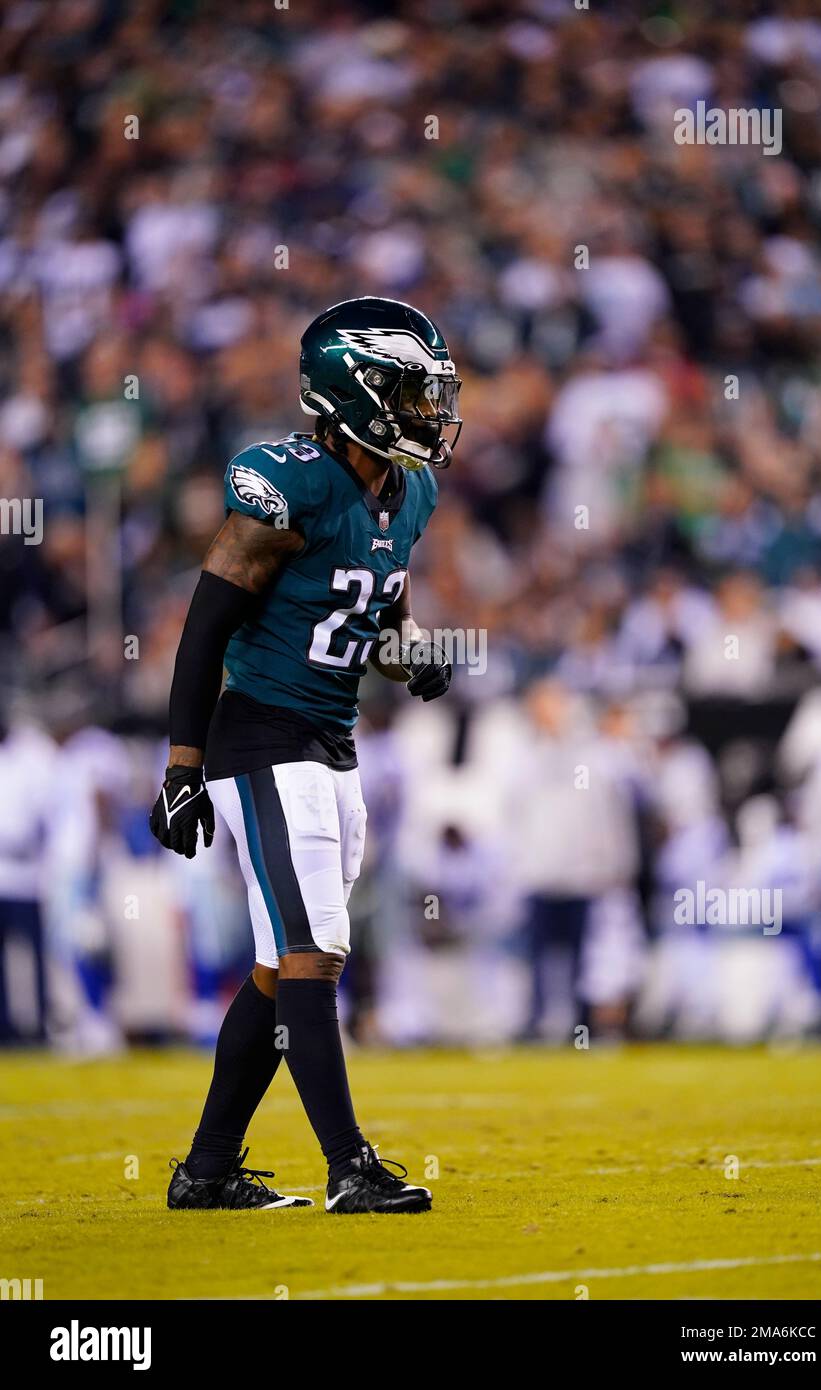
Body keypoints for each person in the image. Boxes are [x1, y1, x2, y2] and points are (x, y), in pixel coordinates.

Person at [149, 297, 460, 1212]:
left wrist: (412, 657)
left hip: (332, 742)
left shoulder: (411, 491)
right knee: (313, 952)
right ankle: (349, 1168)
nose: (427, 411)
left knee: (277, 967)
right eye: (409, 392)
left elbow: (382, 612)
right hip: (260, 737)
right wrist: (180, 765)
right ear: (353, 392)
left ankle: (206, 1173)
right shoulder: (286, 484)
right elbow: (204, 630)